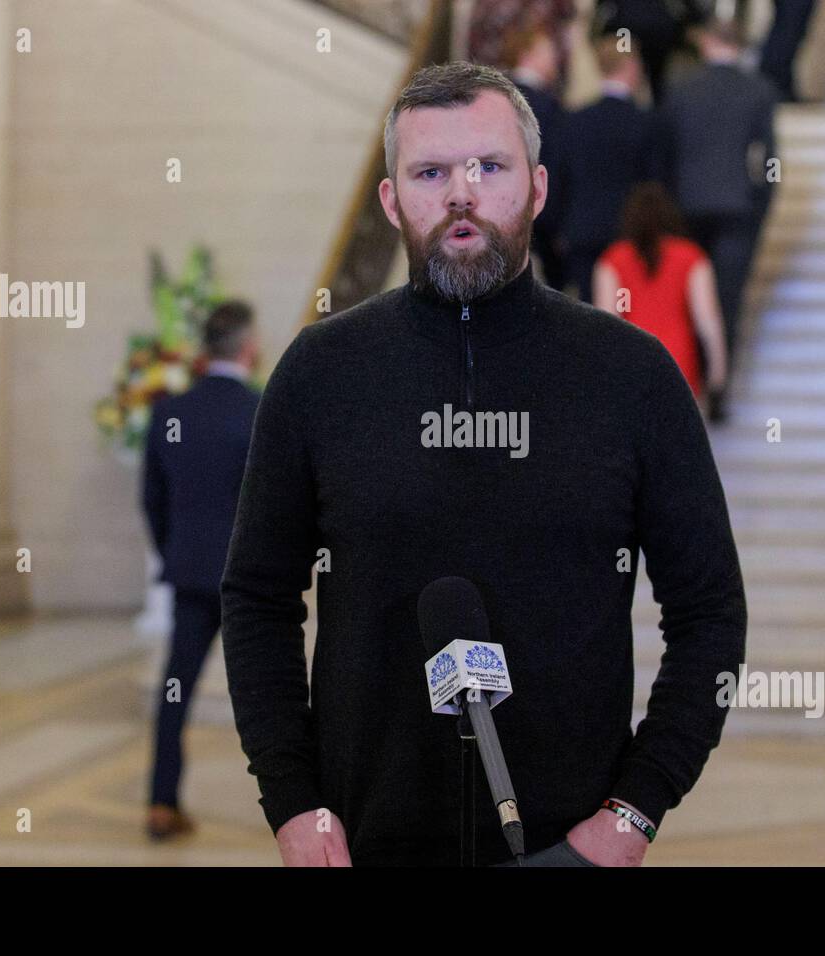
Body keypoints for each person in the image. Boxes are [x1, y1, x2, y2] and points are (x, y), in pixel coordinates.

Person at [220, 61, 746, 867]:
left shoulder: (632, 377)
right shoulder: (320, 373)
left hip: (568, 847)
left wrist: (634, 813)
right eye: (430, 172)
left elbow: (709, 612)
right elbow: (258, 597)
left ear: (537, 189)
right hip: (367, 844)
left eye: (488, 168)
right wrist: (292, 802)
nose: (460, 195)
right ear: (392, 199)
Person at [141, 300, 262, 840]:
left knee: (175, 690)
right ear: (247, 347)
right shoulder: (260, 409)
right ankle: (307, 812)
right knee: (271, 699)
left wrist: (176, 552)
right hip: (250, 582)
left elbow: (151, 499)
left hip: (190, 574)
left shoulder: (171, 413)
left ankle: (160, 804)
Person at [660, 17, 777, 421]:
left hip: (687, 209)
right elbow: (770, 160)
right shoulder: (759, 90)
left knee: (687, 298)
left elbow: (665, 157)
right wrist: (759, 203)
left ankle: (685, 386)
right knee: (726, 298)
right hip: (736, 208)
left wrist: (670, 206)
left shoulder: (680, 89)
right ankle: (720, 388)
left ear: (706, 43)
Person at [593, 180, 728, 417]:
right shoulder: (691, 257)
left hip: (631, 366)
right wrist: (717, 380)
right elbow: (708, 322)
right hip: (678, 365)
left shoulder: (613, 259)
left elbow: (606, 326)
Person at [554, 31, 670, 303]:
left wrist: (561, 228)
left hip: (581, 232)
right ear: (631, 67)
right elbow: (654, 185)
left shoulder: (573, 121)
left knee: (588, 314)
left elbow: (558, 179)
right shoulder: (647, 123)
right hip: (630, 235)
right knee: (628, 319)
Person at [500, 22, 567, 290]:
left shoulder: (490, 99)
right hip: (542, 217)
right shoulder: (549, 106)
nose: (555, 59)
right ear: (527, 54)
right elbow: (557, 164)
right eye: (547, 51)